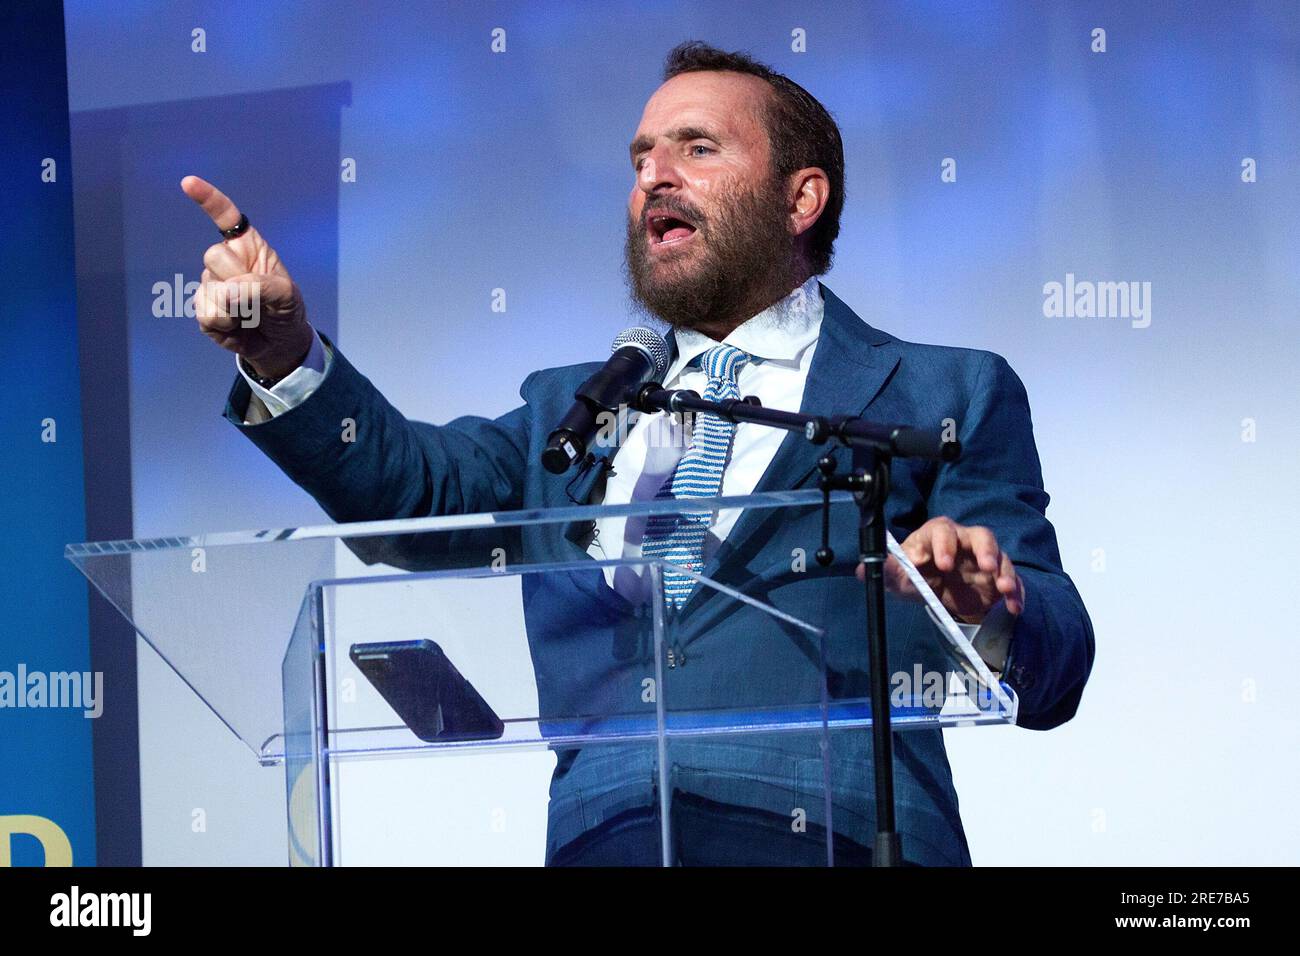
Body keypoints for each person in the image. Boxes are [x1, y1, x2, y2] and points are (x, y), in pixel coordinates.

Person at [180, 41, 1093, 866]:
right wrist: (282, 353)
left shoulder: (943, 393)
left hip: (841, 838)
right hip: (607, 839)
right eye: (641, 159)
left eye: (697, 149)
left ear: (801, 197)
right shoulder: (570, 409)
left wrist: (988, 606)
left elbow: (1059, 662)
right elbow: (410, 504)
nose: (656, 175)